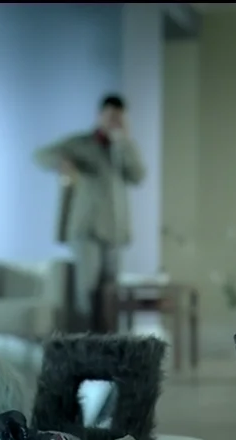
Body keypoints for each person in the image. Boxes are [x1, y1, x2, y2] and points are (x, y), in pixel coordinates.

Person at [34, 94, 145, 332]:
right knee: (87, 291)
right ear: (100, 115)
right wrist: (61, 163)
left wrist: (124, 143)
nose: (114, 121)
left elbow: (138, 175)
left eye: (119, 117)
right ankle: (85, 342)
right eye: (111, 116)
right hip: (86, 229)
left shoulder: (121, 148)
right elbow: (41, 156)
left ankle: (109, 342)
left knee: (110, 293)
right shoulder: (80, 144)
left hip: (114, 231)